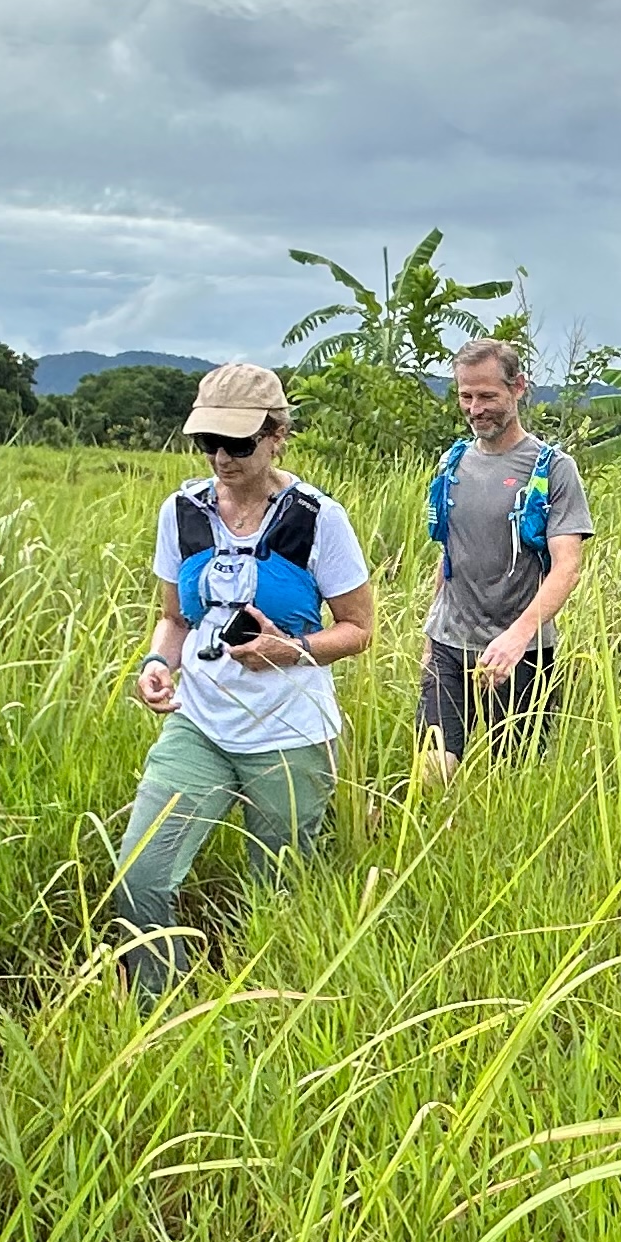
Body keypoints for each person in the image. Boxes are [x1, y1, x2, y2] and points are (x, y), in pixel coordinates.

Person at [116, 365, 377, 992]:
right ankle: (158, 1011)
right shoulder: (182, 511)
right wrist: (158, 664)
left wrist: (289, 649)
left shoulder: (317, 519)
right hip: (200, 724)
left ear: (278, 435)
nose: (221, 458)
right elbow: (173, 618)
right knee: (139, 877)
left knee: (279, 894)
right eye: (208, 442)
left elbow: (360, 629)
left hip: (290, 736)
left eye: (238, 443)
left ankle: (269, 1014)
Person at [419, 339, 592, 768]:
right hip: (450, 643)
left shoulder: (552, 468)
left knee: (513, 777)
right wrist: (429, 633)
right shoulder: (451, 464)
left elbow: (567, 565)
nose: (475, 408)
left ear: (518, 388)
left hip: (522, 652)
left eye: (487, 396)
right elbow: (449, 557)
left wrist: (518, 636)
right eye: (466, 396)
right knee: (432, 771)